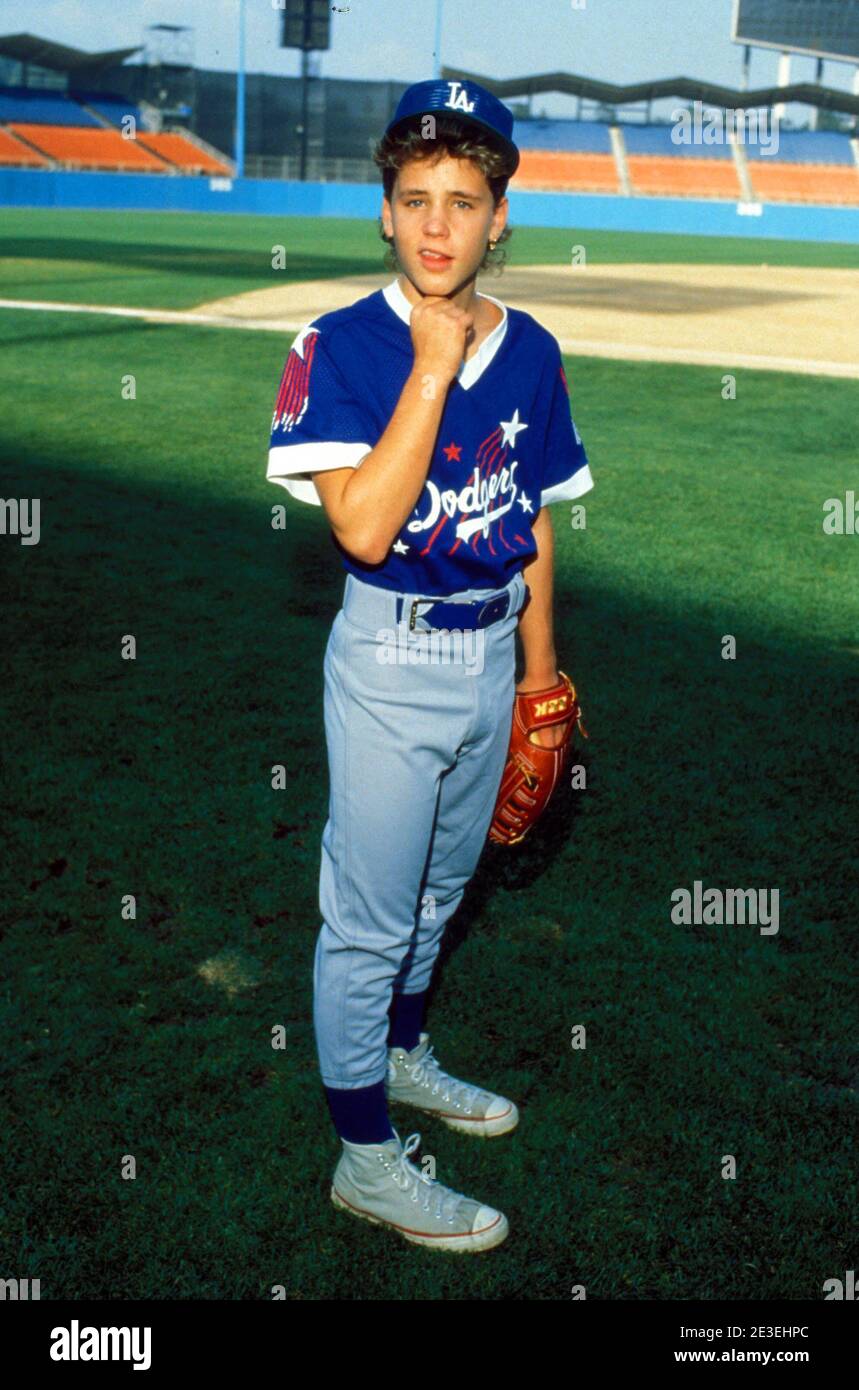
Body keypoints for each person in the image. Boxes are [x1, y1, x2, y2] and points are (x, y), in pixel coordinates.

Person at [266, 78, 593, 1253]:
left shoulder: (536, 346)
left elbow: (538, 516)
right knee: (366, 917)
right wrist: (429, 363)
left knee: (442, 894)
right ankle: (365, 1159)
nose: (440, 226)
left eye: (464, 200)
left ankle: (403, 1055)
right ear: (386, 214)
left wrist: (538, 681)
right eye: (416, 200)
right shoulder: (341, 344)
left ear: (501, 215)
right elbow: (360, 526)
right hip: (392, 657)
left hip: (491, 651)